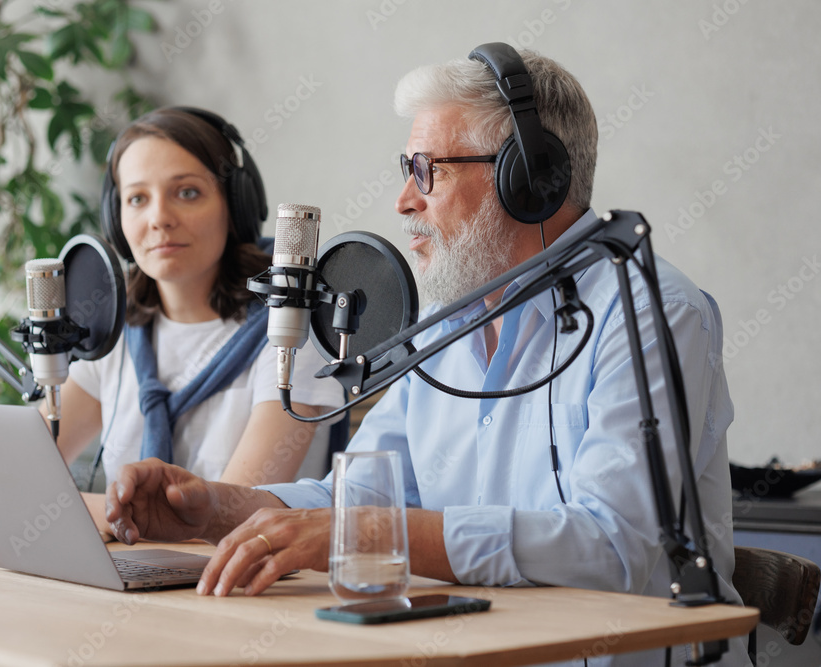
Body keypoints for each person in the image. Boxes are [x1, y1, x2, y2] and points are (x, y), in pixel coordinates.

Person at [102, 48, 745, 667]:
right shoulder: (454, 324)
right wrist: (212, 508)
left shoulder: (651, 314)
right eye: (404, 170)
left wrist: (380, 535)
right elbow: (352, 500)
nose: (403, 202)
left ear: (528, 179)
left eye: (425, 171)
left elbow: (615, 547)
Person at [0, 107, 345, 538]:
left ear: (235, 205)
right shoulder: (118, 331)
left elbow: (233, 516)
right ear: (116, 219)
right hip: (139, 579)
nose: (159, 218)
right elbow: (27, 466)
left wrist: (26, 506)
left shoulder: (291, 334)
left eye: (187, 192)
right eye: (137, 199)